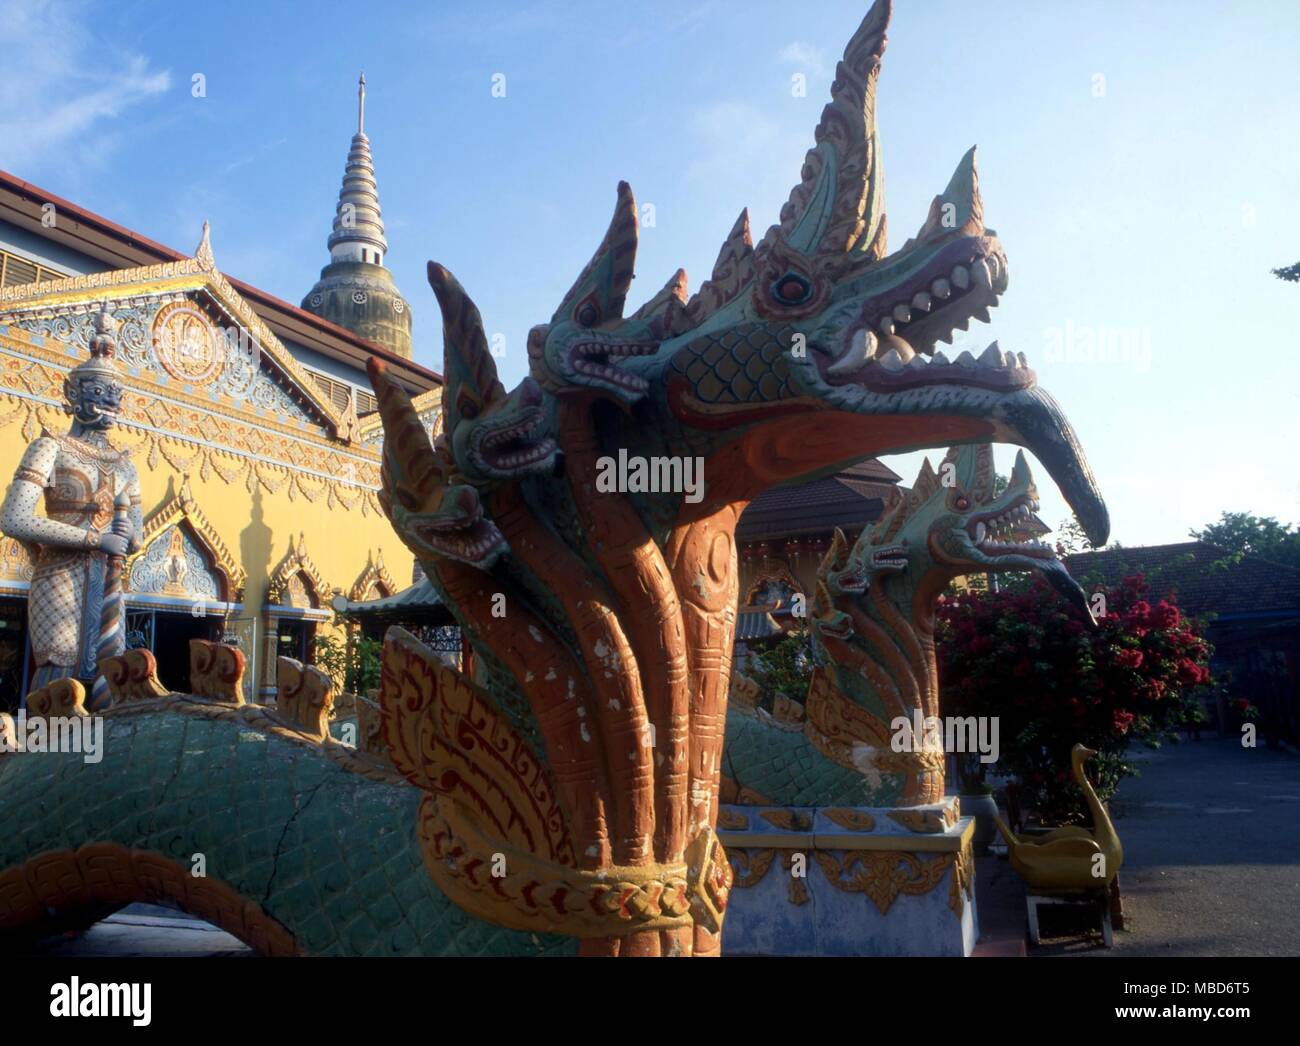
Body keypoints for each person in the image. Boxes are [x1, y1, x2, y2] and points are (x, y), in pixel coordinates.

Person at [0, 304, 143, 705]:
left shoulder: (126, 464)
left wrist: (126, 533)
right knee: (61, 668)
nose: (109, 404)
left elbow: (137, 537)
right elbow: (13, 518)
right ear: (72, 394)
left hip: (110, 581)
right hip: (60, 575)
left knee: (109, 671)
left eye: (115, 396)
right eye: (98, 393)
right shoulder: (50, 447)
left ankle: (96, 762)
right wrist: (95, 538)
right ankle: (45, 762)